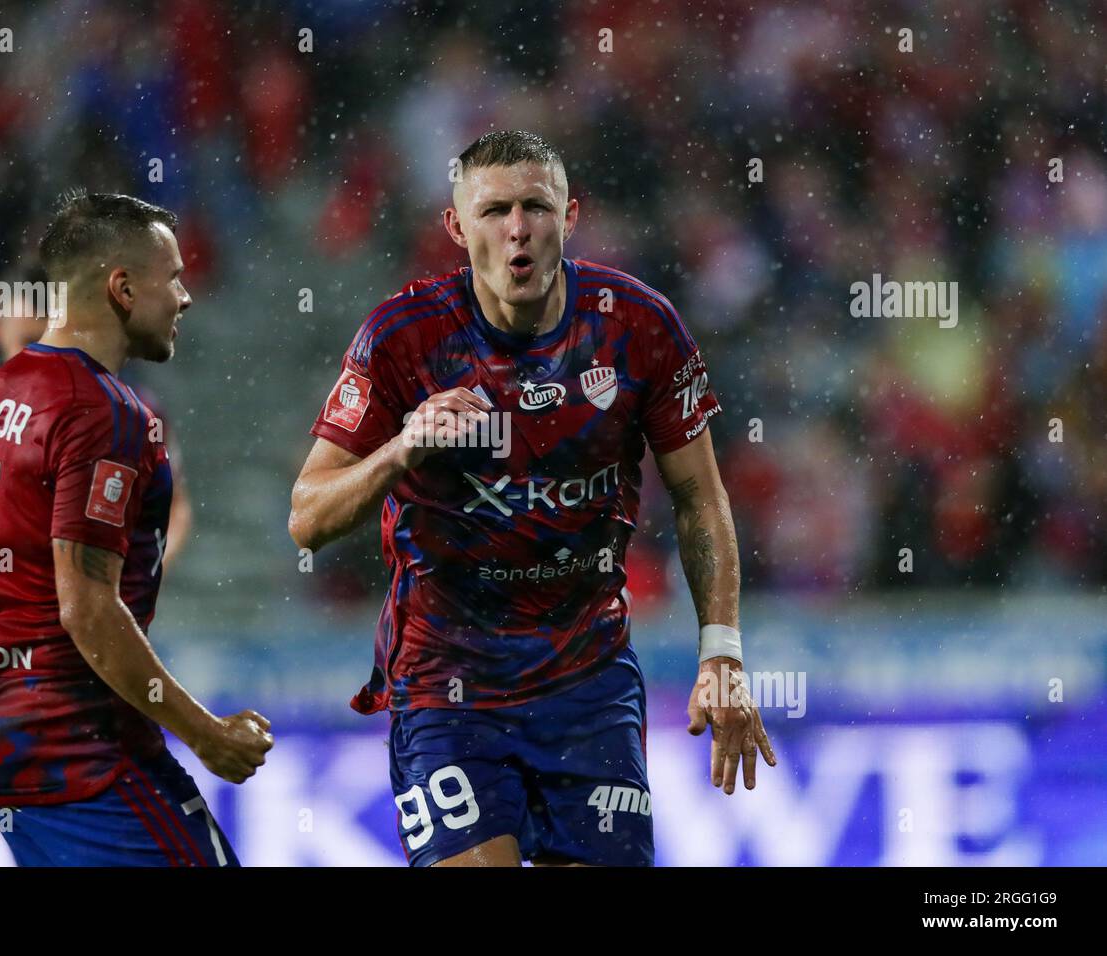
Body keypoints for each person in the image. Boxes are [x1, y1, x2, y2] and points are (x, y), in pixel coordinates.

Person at [290, 131, 776, 867]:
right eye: (493, 211)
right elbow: (307, 519)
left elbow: (700, 497)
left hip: (588, 681)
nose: (517, 228)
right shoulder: (404, 337)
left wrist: (724, 655)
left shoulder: (636, 326)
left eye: (535, 207)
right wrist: (402, 448)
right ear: (457, 228)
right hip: (448, 685)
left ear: (569, 216)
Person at [0, 192, 271, 866]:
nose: (185, 297)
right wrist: (206, 734)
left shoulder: (0, 390)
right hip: (84, 751)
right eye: (174, 277)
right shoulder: (102, 411)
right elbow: (88, 607)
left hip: (7, 746)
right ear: (122, 288)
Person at [0, 266, 193, 606]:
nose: (41, 358)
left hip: (93, 621)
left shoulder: (130, 413)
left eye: (51, 340)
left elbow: (174, 508)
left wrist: (134, 580)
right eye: (27, 342)